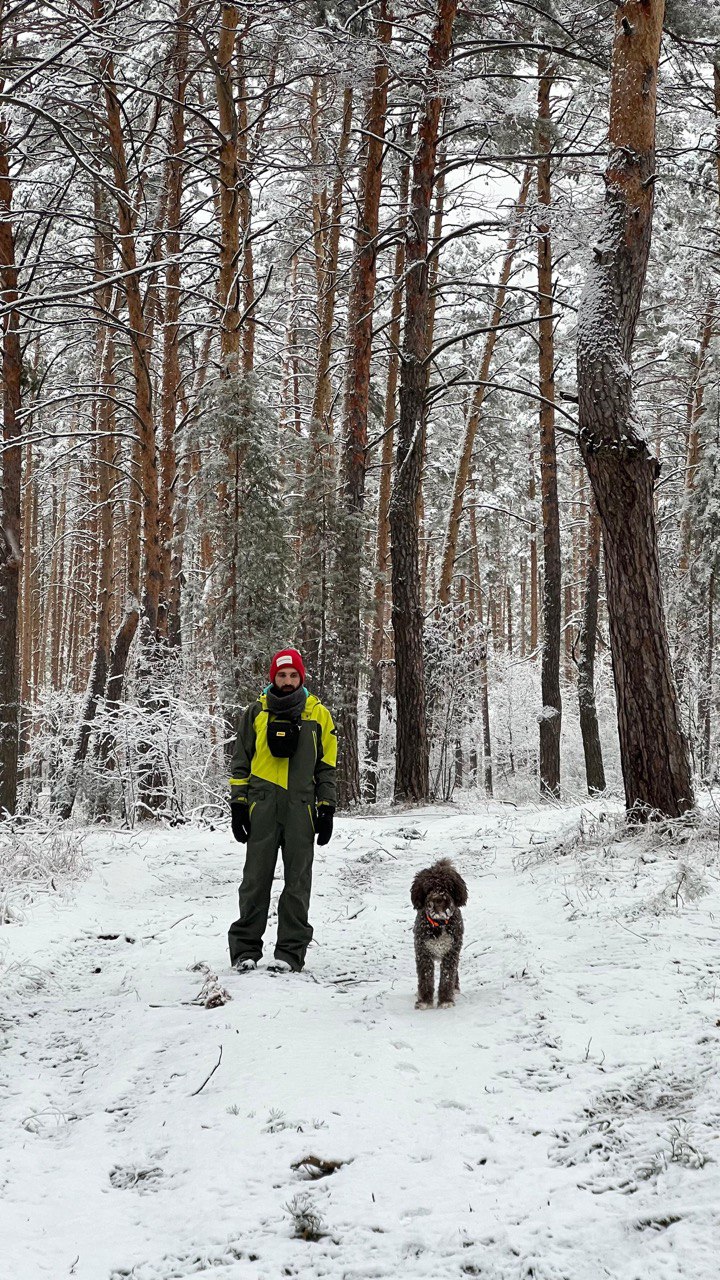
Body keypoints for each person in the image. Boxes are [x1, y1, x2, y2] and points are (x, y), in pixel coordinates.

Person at [227, 647, 337, 973]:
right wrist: (238, 805)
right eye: (281, 675)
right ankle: (245, 951)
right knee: (254, 881)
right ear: (272, 677)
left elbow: (326, 768)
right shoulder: (255, 714)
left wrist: (326, 808)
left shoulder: (318, 715)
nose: (287, 681)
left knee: (297, 882)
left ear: (301, 677)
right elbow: (240, 763)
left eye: (293, 675)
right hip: (262, 807)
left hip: (300, 810)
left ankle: (289, 954)